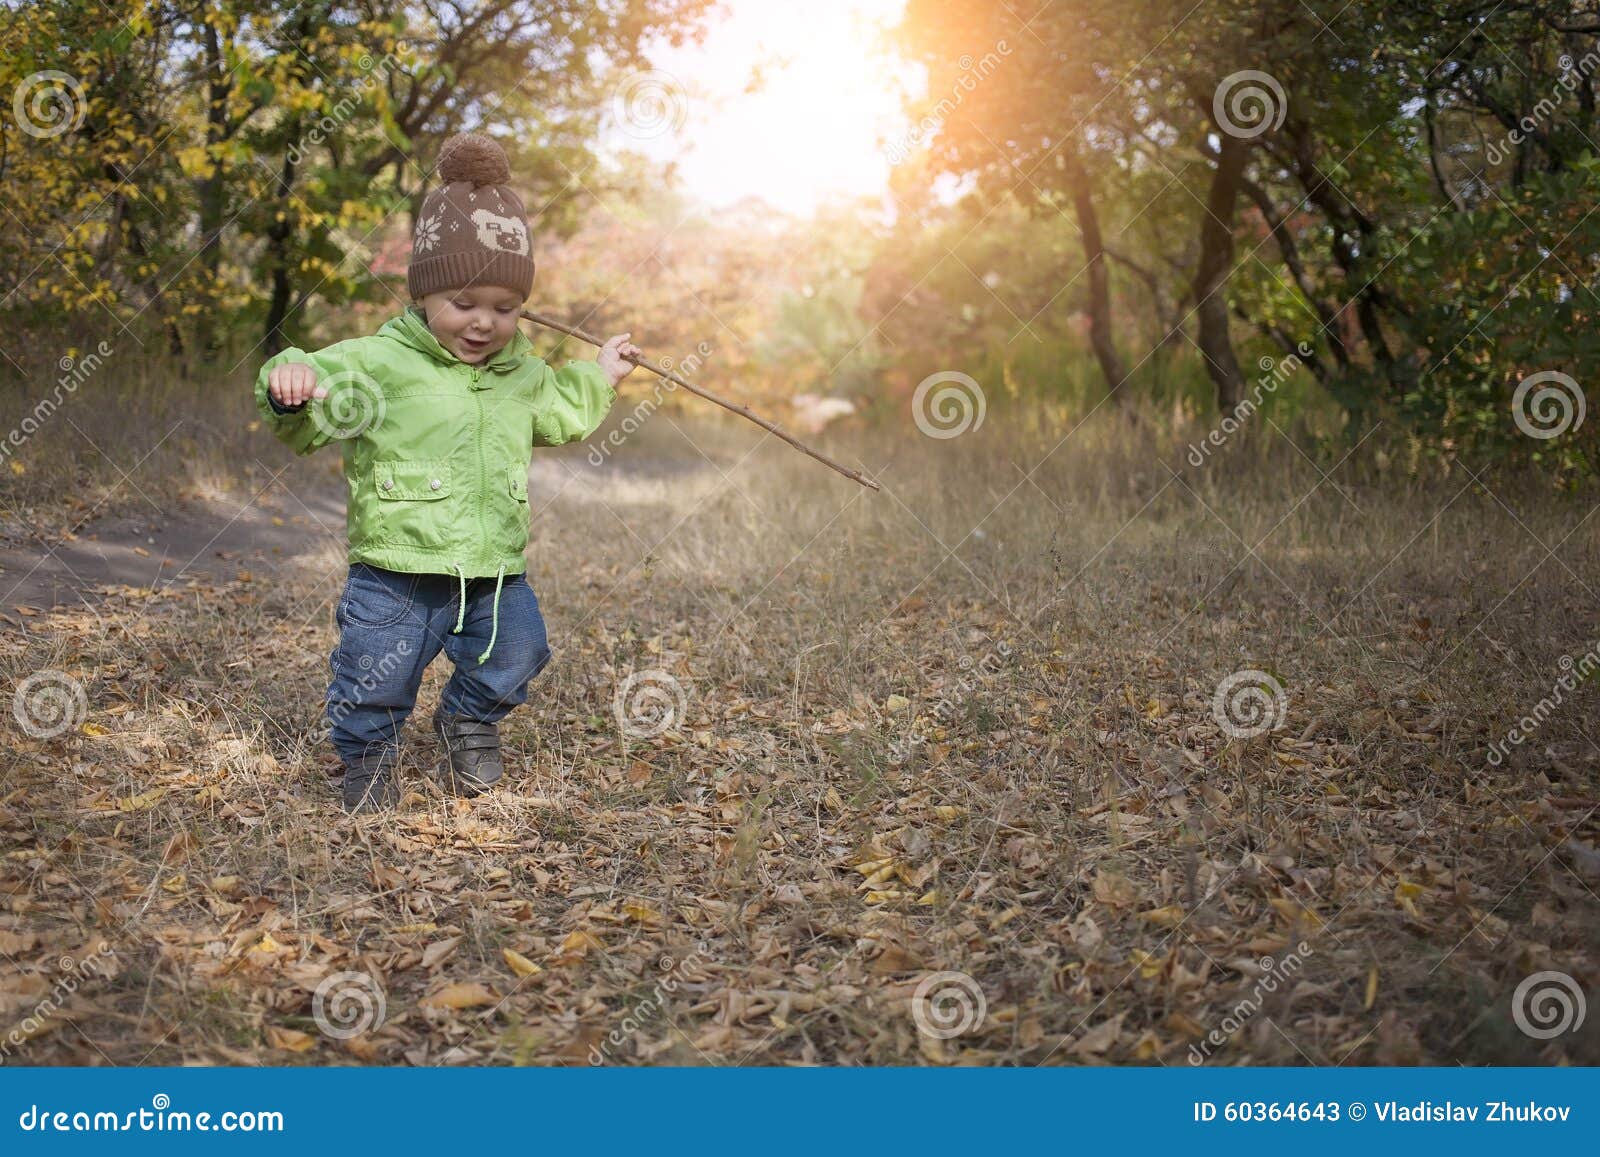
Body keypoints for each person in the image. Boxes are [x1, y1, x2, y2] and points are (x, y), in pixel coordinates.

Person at [253, 131, 639, 814]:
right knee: (376, 675)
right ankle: (368, 756)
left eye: (505, 307)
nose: (485, 323)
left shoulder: (522, 372)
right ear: (425, 292)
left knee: (521, 648)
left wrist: (601, 373)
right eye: (464, 303)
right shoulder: (383, 363)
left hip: (493, 566)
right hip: (397, 569)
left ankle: (468, 717)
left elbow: (562, 412)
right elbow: (319, 385)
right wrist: (290, 383)